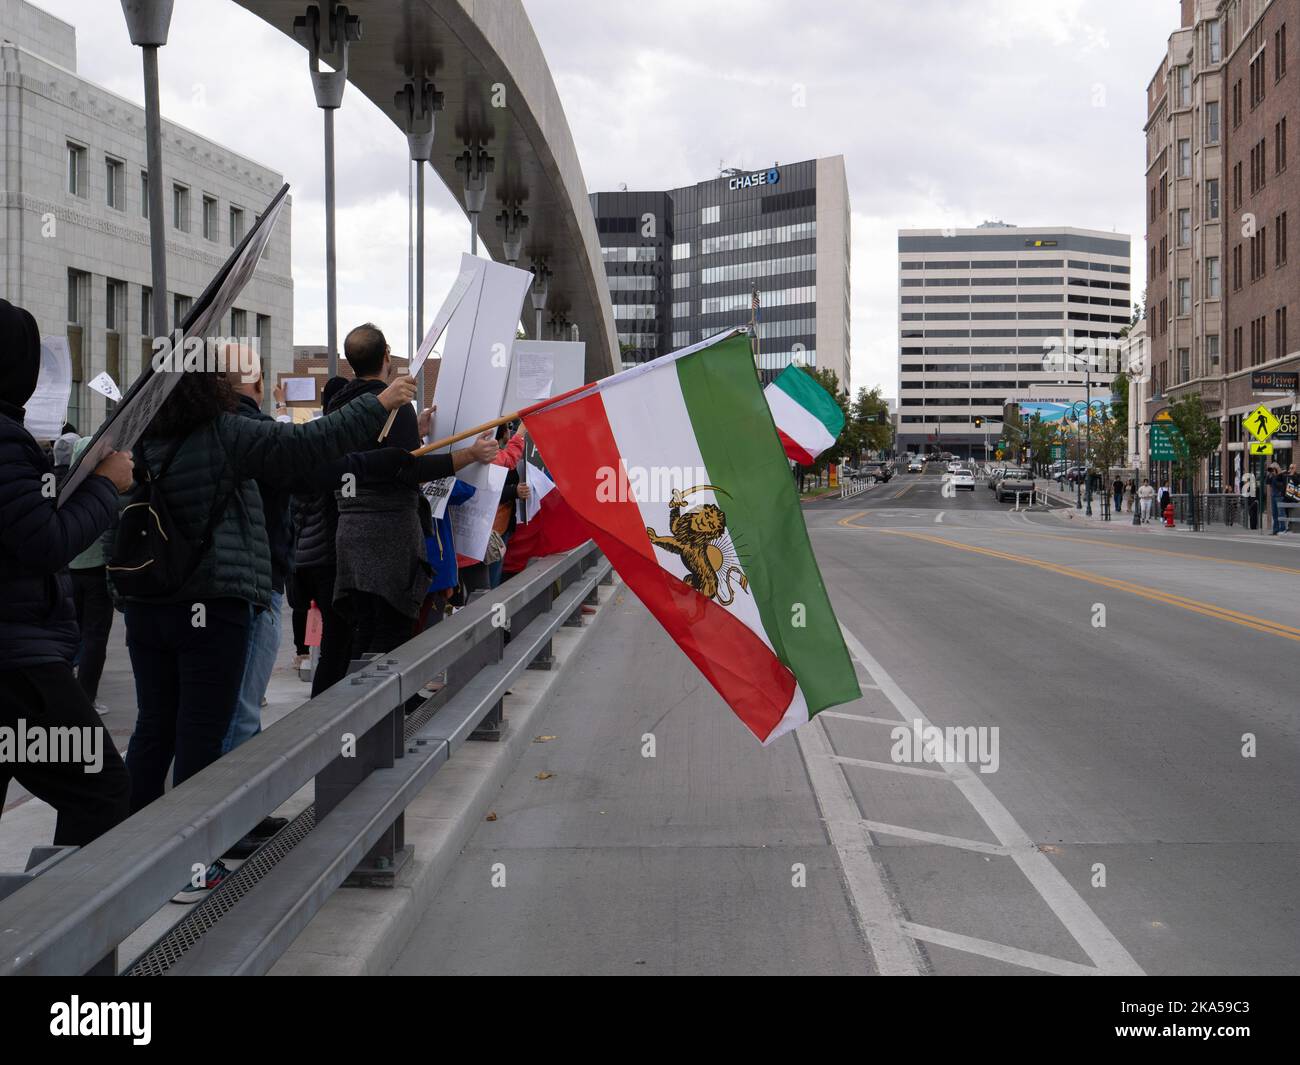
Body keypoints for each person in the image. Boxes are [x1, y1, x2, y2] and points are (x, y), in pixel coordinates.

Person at [117, 365, 413, 827]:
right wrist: (378, 404)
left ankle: (130, 851)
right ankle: (196, 859)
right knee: (203, 733)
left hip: (146, 604)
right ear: (206, 391)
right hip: (214, 604)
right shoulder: (224, 433)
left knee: (153, 728)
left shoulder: (140, 444)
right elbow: (303, 447)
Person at [0, 298, 133, 846]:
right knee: (100, 791)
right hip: (18, 667)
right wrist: (106, 484)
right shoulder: (5, 439)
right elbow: (42, 542)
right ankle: (69, 927)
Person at [330, 324, 498, 662]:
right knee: (391, 631)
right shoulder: (395, 406)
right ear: (387, 356)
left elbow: (377, 457)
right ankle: (387, 710)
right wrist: (470, 455)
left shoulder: (337, 405)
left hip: (349, 533)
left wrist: (414, 433)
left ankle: (365, 710)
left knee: (364, 630)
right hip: (390, 534)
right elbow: (410, 469)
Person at [220, 352, 295, 754]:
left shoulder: (196, 430)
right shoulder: (259, 434)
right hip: (258, 584)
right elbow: (313, 462)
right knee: (244, 704)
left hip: (203, 590)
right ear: (259, 385)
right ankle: (238, 811)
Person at [67, 434, 120, 713]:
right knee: (95, 636)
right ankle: (86, 699)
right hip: (98, 569)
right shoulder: (102, 489)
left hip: (70, 568)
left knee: (71, 632)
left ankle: (66, 696)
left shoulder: (67, 488)